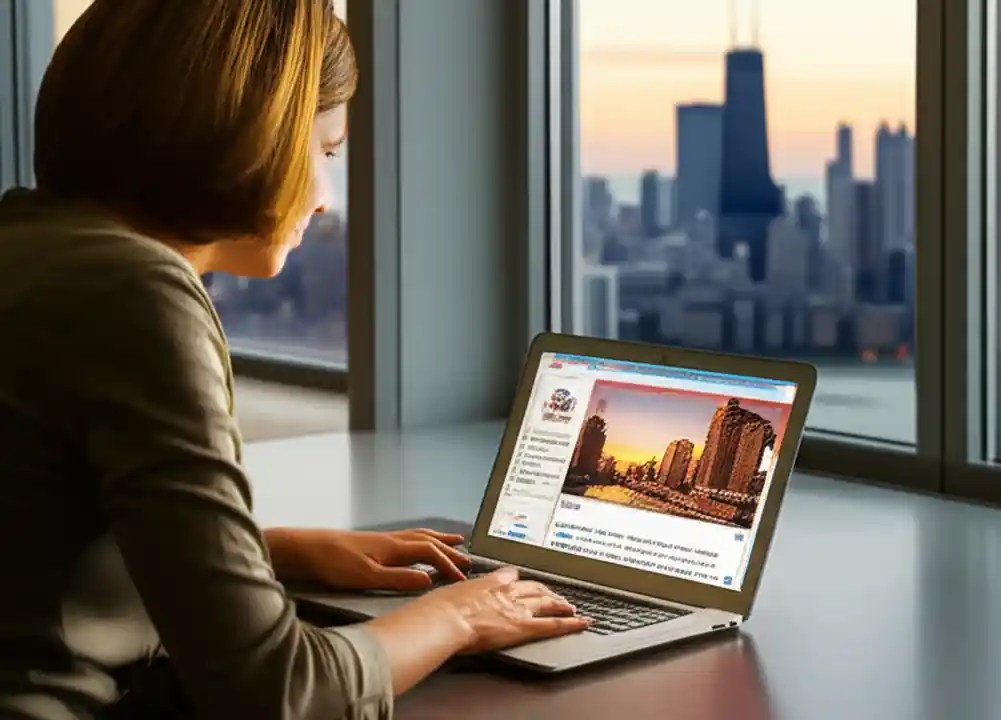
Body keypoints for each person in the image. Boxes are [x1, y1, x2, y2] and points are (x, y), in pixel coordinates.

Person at [0, 2, 589, 718]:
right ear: (254, 136)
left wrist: (268, 552)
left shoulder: (29, 248)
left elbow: (35, 543)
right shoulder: (136, 294)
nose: (323, 200)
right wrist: (459, 617)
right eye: (328, 151)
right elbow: (275, 691)